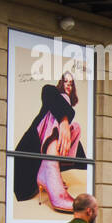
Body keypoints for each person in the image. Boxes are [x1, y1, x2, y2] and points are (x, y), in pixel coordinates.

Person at [14, 70, 86, 213]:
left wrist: (66, 123)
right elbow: (49, 94)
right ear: (60, 83)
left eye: (71, 84)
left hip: (41, 161)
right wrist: (63, 121)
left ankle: (50, 172)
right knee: (58, 104)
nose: (68, 85)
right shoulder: (50, 91)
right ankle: (50, 170)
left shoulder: (66, 115)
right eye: (65, 82)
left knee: (76, 127)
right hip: (25, 163)